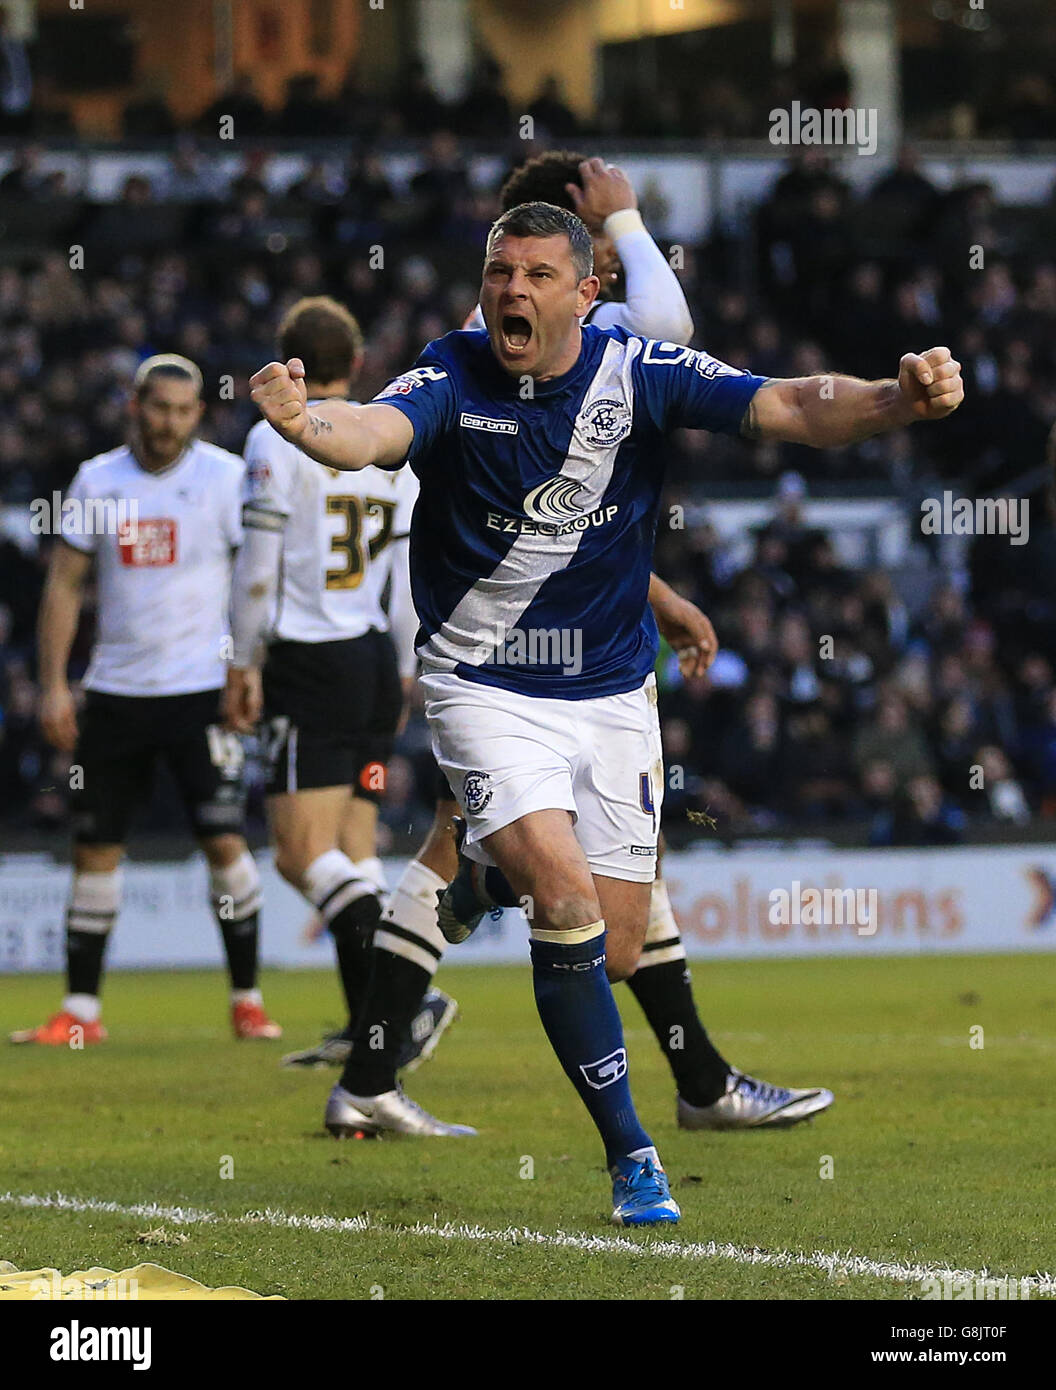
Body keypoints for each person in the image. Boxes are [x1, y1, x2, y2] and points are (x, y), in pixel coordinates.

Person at [249, 201, 963, 1221]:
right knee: (567, 897)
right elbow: (371, 430)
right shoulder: (452, 372)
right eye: (500, 273)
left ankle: (484, 875)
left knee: (617, 945)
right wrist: (306, 422)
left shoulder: (642, 374)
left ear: (590, 293)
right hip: (482, 682)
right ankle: (633, 1158)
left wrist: (899, 400)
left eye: (538, 275)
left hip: (613, 692)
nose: (512, 292)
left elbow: (796, 406)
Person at [319, 150, 832, 1135]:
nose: (525, 284)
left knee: (563, 880)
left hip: (560, 629)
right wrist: (631, 219)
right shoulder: (505, 343)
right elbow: (667, 336)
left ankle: (373, 1073)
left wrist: (660, 593)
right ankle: (696, 1081)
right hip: (499, 648)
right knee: (512, 864)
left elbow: (564, 506)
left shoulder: (548, 335)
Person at [223, 298, 466, 1131]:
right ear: (355, 363)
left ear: (285, 359)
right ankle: (373, 1026)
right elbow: (404, 573)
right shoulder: (385, 436)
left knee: (299, 856)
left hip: (304, 660)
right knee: (355, 856)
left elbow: (258, 568)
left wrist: (242, 663)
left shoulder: (273, 437)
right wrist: (404, 667)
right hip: (370, 658)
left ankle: (415, 998)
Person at [12, 356, 281, 1046]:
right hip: (115, 693)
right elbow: (64, 587)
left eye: (184, 411)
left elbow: (256, 578)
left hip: (202, 692)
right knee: (96, 847)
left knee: (224, 840)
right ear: (135, 405)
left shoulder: (224, 478)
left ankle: (248, 1001)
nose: (170, 423)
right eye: (159, 408)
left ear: (199, 413)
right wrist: (51, 685)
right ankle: (81, 1013)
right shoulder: (97, 480)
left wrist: (247, 667)